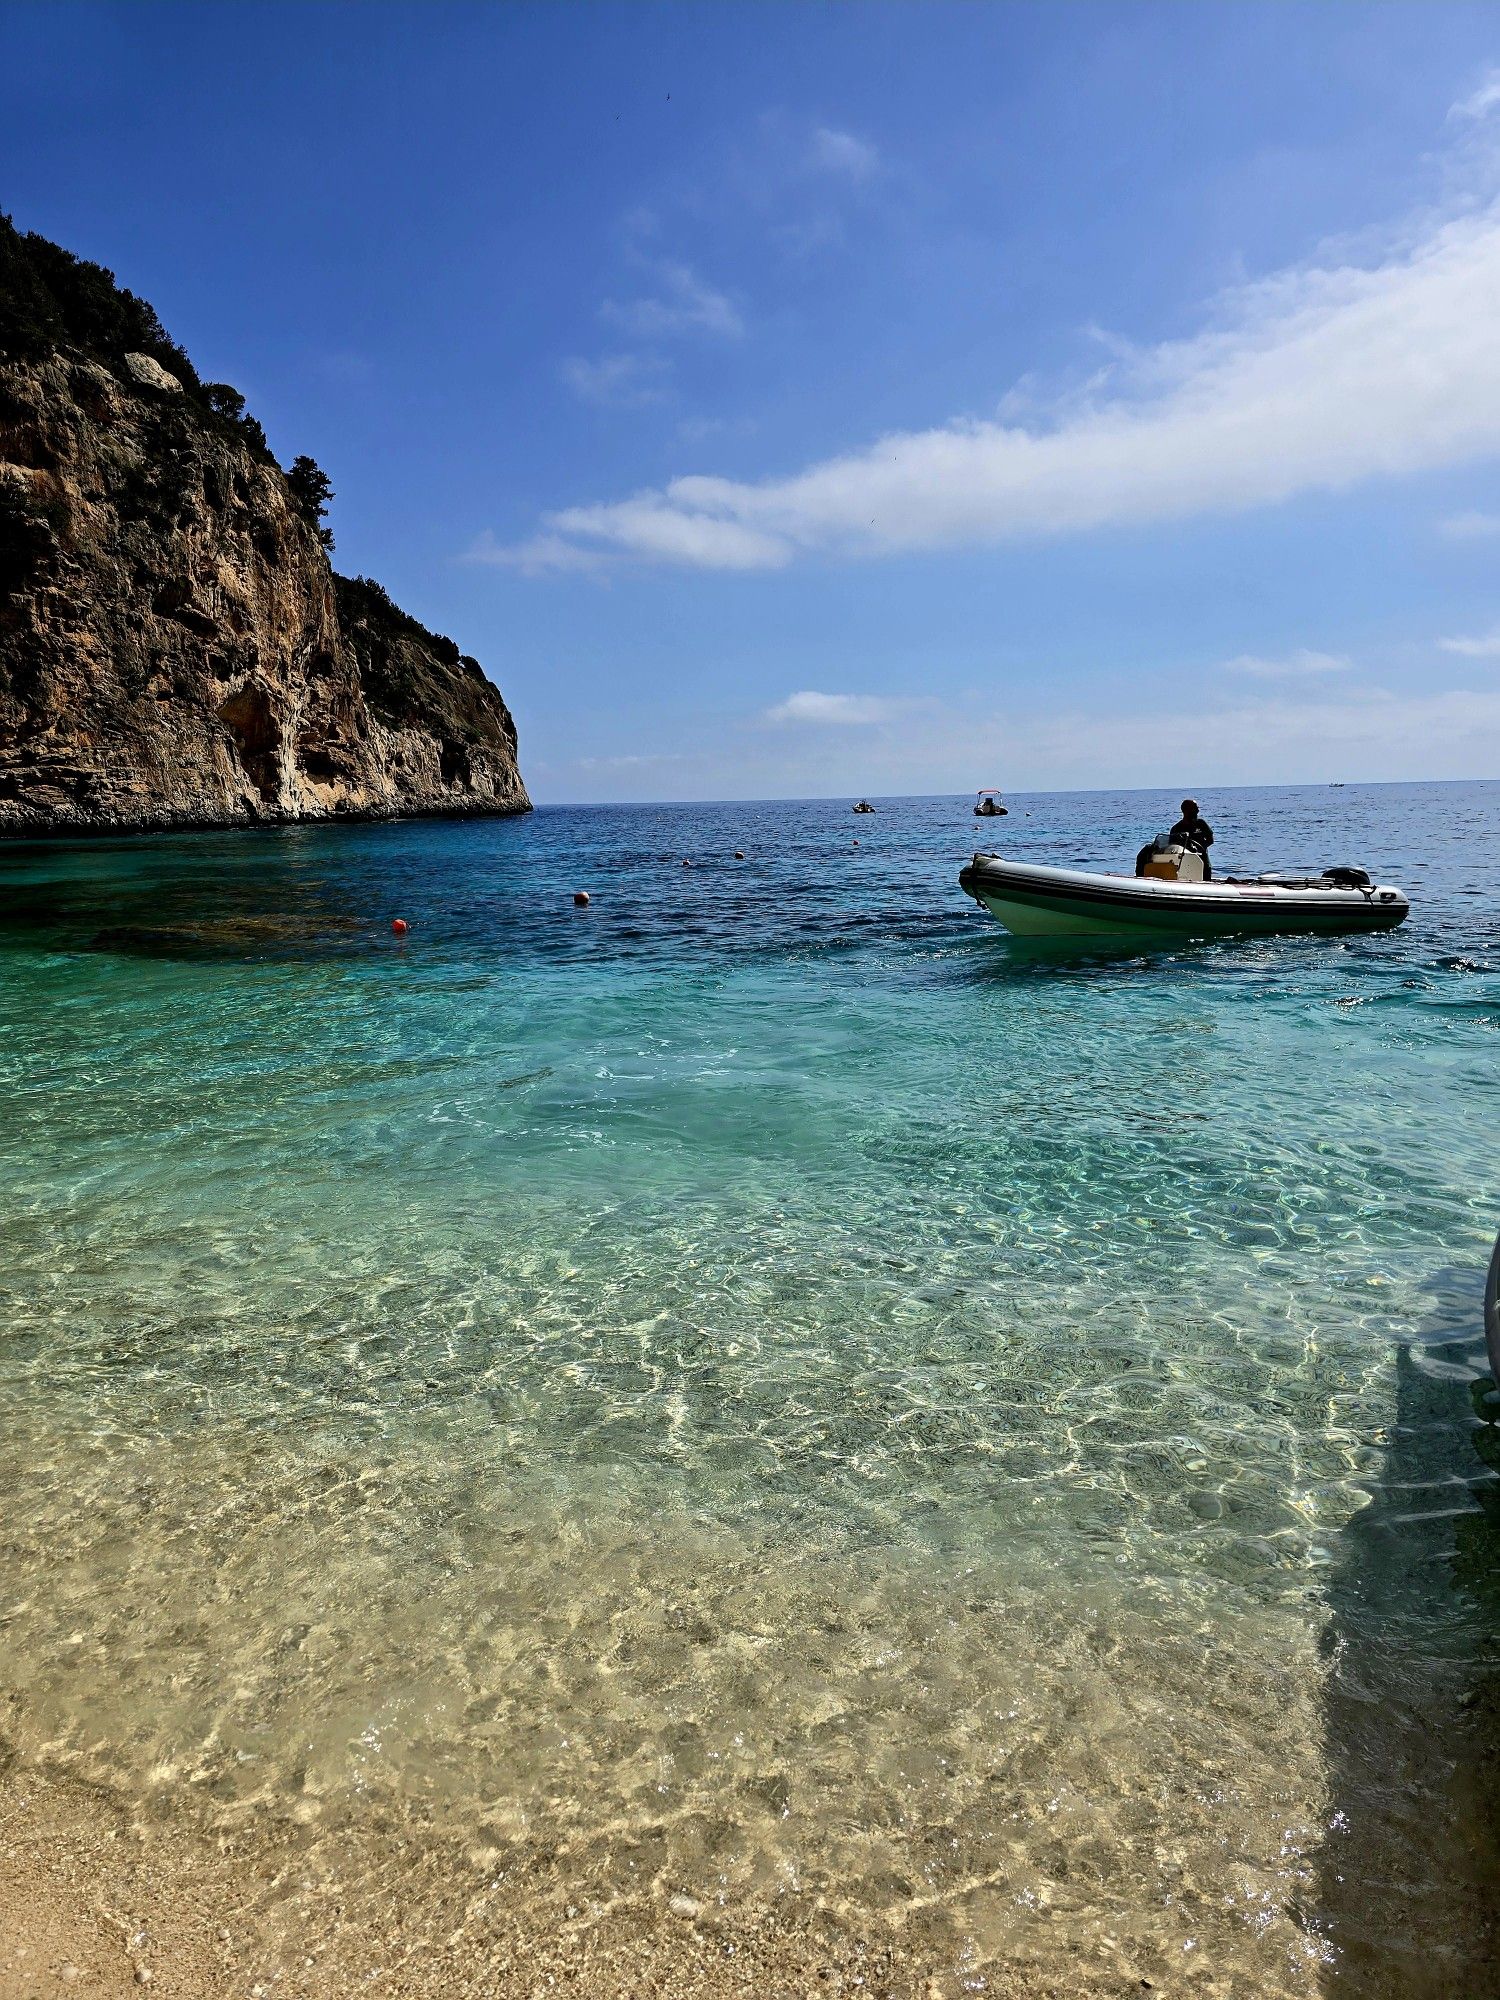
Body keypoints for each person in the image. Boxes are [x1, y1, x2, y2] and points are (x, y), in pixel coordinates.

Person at [1169, 798, 1214, 878]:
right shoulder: (1176, 828)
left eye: (1197, 808)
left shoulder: (1201, 824)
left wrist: (1199, 849)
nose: (1197, 811)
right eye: (1195, 808)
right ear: (1185, 811)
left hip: (1203, 861)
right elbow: (1172, 847)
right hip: (1185, 863)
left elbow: (1210, 840)